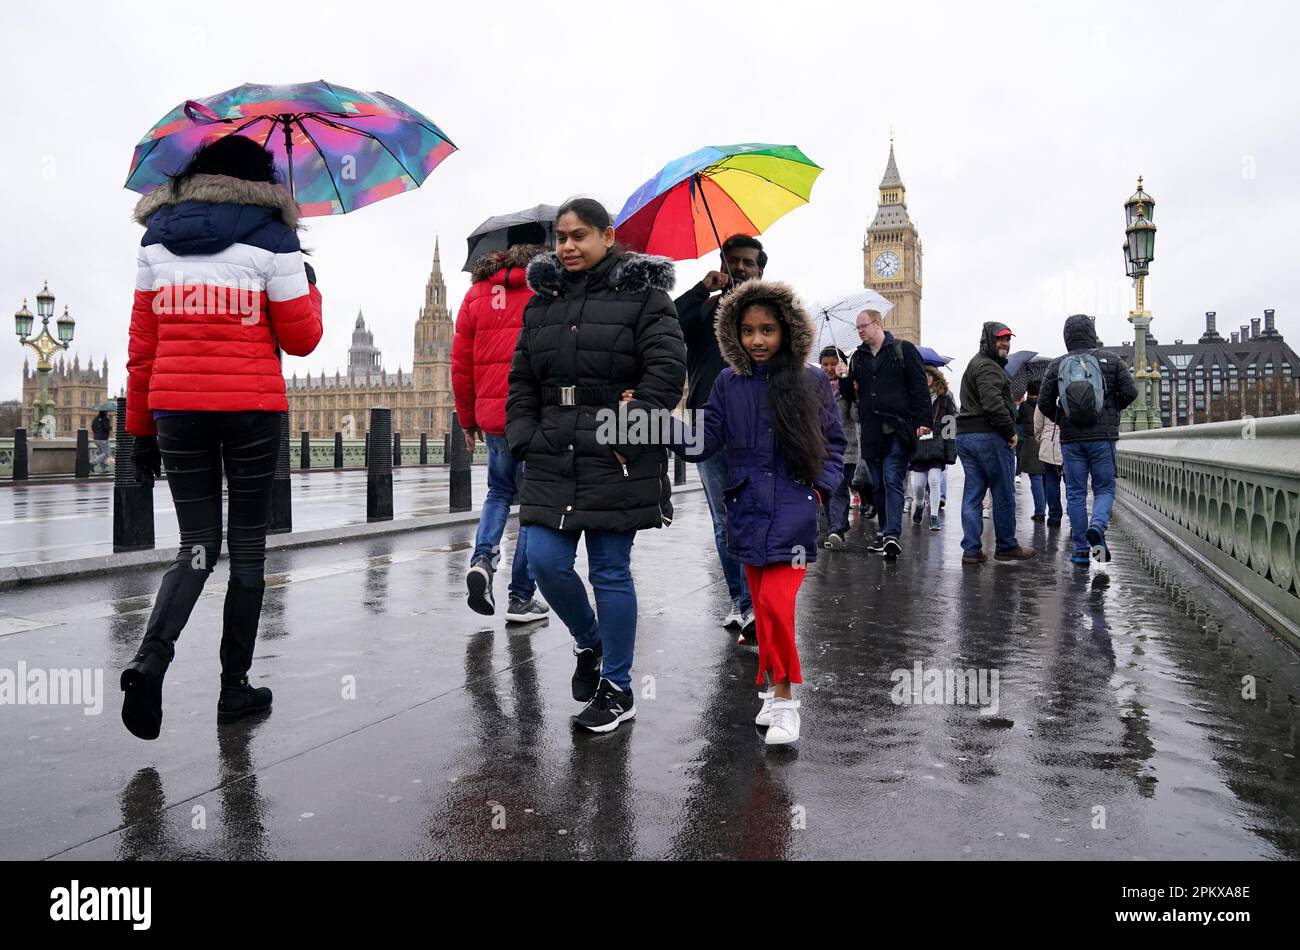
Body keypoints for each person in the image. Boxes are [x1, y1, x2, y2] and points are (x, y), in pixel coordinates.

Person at [120, 135, 323, 740]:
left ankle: (150, 659)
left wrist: (140, 432)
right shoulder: (273, 236)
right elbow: (302, 339)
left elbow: (141, 348)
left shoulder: (155, 239)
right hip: (249, 407)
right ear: (261, 180)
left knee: (197, 547)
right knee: (249, 553)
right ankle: (233, 689)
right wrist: (307, 284)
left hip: (176, 409)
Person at [507, 198, 686, 733]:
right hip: (551, 448)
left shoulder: (645, 296)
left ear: (608, 236)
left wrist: (631, 432)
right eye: (560, 237)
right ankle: (591, 642)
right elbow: (521, 379)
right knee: (544, 562)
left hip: (616, 452)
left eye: (579, 235)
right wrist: (523, 437)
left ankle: (619, 687)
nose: (567, 246)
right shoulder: (541, 303)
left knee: (609, 571)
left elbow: (666, 367)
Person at [668, 280, 845, 745]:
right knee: (761, 615)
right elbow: (704, 443)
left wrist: (820, 492)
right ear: (735, 335)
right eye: (747, 331)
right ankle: (770, 687)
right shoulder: (728, 383)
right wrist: (656, 422)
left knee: (775, 604)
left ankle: (786, 700)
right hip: (746, 507)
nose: (758, 340)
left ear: (786, 331)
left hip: (793, 504)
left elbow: (835, 445)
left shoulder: (810, 381)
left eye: (767, 329)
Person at [452, 224, 551, 623]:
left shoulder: (476, 293)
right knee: (532, 504)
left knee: (498, 493)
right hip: (536, 414)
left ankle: (482, 561)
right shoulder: (547, 287)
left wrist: (467, 417)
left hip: (492, 416)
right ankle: (521, 597)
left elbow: (461, 364)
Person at [673, 234, 765, 636]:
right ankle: (740, 600)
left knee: (751, 514)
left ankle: (753, 602)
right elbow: (668, 326)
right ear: (721, 266)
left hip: (756, 421)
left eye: (748, 262)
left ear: (760, 270)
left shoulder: (768, 314)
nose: (740, 268)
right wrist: (700, 290)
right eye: (733, 261)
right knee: (724, 521)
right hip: (706, 422)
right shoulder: (704, 309)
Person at [1038, 313, 1138, 564]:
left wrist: (1062, 419)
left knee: (1075, 493)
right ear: (1092, 333)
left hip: (1071, 439)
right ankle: (1098, 524)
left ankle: (1081, 551)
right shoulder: (1112, 360)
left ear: (1066, 337)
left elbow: (1044, 404)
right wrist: (1111, 411)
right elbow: (1130, 392)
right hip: (1102, 437)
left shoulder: (1057, 365)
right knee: (1104, 488)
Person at [838, 309, 930, 559]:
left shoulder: (903, 349)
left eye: (863, 326)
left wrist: (924, 421)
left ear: (877, 324)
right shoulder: (857, 357)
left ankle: (891, 535)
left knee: (892, 479)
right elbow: (849, 395)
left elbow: (920, 386)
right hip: (871, 430)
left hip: (898, 428)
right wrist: (843, 376)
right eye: (857, 328)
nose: (859, 331)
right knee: (877, 484)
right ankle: (885, 533)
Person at [954, 322, 1035, 563]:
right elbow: (992, 404)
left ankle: (971, 549)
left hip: (967, 436)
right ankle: (1006, 545)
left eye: (1008, 339)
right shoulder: (988, 367)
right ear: (989, 340)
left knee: (973, 493)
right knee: (1003, 492)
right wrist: (1010, 431)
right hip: (988, 436)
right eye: (1000, 339)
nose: (1005, 344)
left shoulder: (975, 364)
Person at [817, 346, 857, 549]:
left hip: (846, 448)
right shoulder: (814, 387)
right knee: (825, 491)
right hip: (820, 449)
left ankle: (836, 530)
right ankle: (839, 523)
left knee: (839, 488)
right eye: (825, 364)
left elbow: (857, 416)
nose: (829, 368)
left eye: (834, 364)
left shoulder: (848, 386)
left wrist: (849, 385)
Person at [908, 366, 956, 531]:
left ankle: (934, 516)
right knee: (919, 485)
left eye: (929, 375)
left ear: (935, 378)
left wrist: (950, 451)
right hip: (919, 446)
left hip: (937, 446)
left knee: (935, 481)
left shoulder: (946, 400)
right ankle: (920, 504)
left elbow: (950, 426)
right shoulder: (914, 398)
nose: (927, 378)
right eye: (924, 375)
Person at [1033, 392, 1064, 526]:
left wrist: (1040, 438)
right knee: (1073, 484)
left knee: (1052, 481)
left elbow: (1038, 424)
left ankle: (1054, 517)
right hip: (1070, 443)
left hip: (1049, 443)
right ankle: (1075, 517)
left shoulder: (1046, 396)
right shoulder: (1072, 392)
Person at [1018, 380, 1046, 521]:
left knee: (1036, 477)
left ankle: (1040, 511)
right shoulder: (1046, 405)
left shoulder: (1024, 406)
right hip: (1046, 442)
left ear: (1028, 392)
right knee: (1048, 478)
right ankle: (1054, 512)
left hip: (1030, 444)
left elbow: (1017, 421)